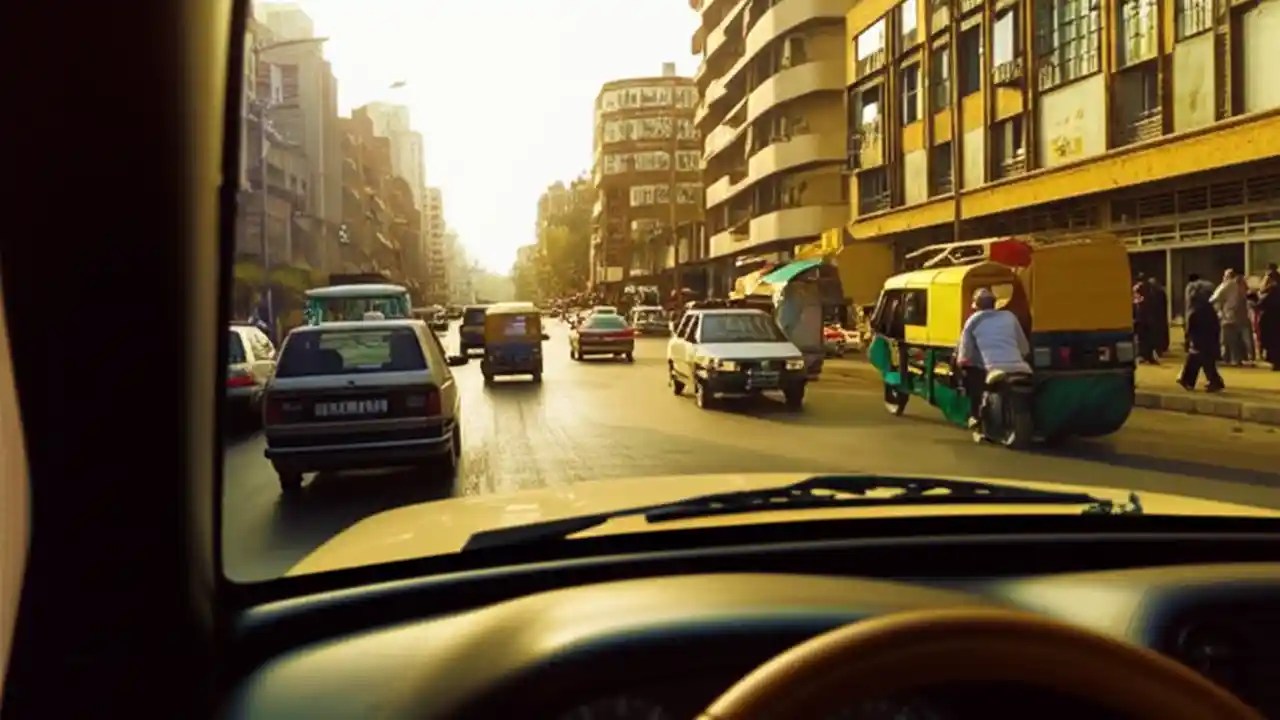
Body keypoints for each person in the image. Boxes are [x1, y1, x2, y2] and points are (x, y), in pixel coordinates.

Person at [955, 287, 1032, 429]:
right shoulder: (1009, 316)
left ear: (976, 305)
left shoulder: (973, 321)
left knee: (972, 380)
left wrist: (963, 363)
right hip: (1021, 368)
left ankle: (975, 415)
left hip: (992, 370)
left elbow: (965, 353)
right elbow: (1024, 347)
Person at [1178, 295, 1225, 393]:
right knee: (1204, 361)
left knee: (1197, 360)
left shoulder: (1194, 311)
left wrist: (1188, 340)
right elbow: (1216, 327)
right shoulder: (1210, 311)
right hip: (1210, 341)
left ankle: (1189, 380)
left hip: (1198, 340)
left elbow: (1190, 328)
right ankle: (1189, 380)